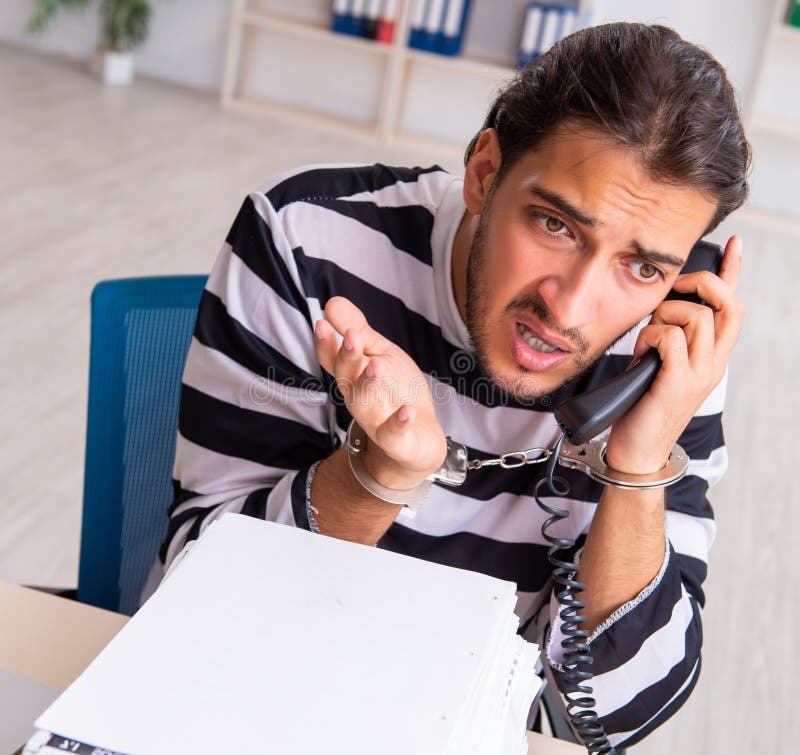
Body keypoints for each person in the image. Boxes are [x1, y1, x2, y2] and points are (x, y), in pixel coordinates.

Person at [156, 22, 749, 750]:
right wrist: (376, 475)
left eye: (643, 266)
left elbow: (617, 716)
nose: (570, 309)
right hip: (243, 700)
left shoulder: (667, 353)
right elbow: (192, 594)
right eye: (555, 224)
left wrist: (636, 467)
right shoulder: (305, 242)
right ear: (484, 172)